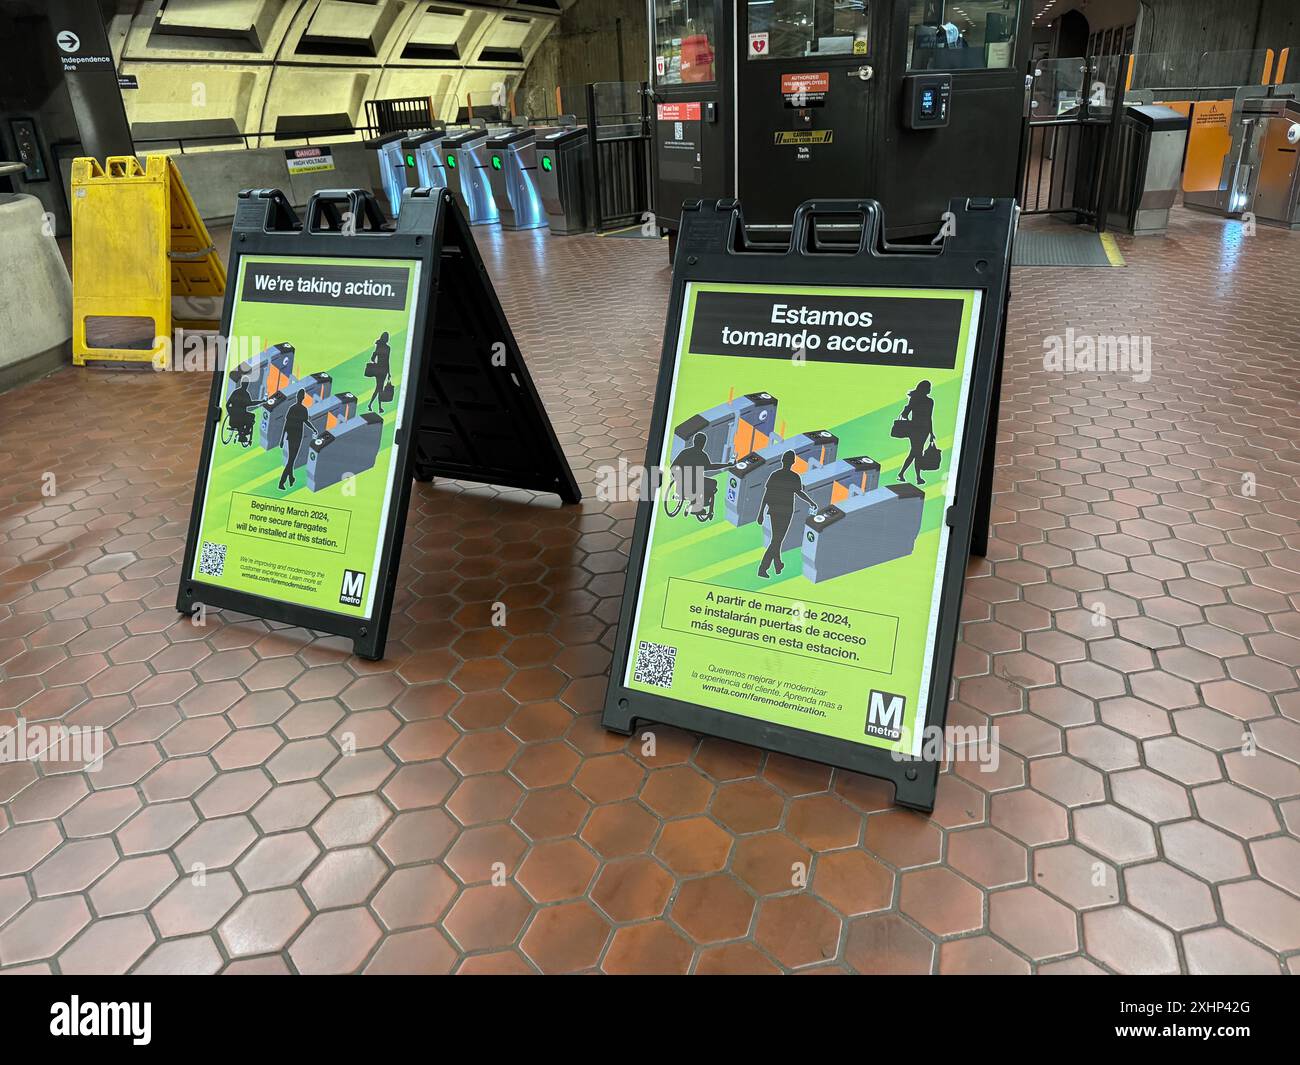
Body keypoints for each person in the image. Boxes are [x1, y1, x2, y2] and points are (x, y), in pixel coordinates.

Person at [758, 450, 815, 578]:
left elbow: (767, 494)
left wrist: (761, 512)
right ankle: (763, 568)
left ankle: (778, 564)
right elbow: (799, 493)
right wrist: (811, 502)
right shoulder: (794, 477)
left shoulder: (775, 475)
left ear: (782, 460)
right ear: (793, 462)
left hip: (774, 510)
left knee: (776, 539)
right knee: (777, 540)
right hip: (786, 512)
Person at [670, 432, 728, 517]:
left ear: (694, 441)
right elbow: (710, 467)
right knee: (712, 484)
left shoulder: (685, 452)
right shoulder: (702, 455)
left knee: (700, 481)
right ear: (704, 443)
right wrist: (727, 465)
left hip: (682, 481)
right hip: (694, 483)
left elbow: (673, 467)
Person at [898, 379, 936, 486]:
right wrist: (931, 432)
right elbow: (929, 418)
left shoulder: (919, 399)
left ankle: (902, 474)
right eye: (928, 387)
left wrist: (931, 433)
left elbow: (929, 417)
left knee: (915, 453)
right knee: (917, 452)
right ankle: (917, 477)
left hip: (919, 430)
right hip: (920, 430)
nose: (929, 389)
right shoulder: (926, 401)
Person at [278, 390, 311, 489]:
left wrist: (282, 439)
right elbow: (306, 421)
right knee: (291, 460)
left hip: (290, 435)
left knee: (291, 458)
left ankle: (291, 477)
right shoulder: (303, 409)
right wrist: (314, 429)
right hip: (297, 436)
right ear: (303, 397)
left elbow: (286, 424)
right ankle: (281, 482)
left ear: (297, 396)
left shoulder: (291, 408)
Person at [224, 375, 262, 447]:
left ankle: (242, 434)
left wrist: (231, 413)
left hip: (233, 419)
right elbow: (250, 403)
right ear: (247, 385)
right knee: (252, 416)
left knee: (245, 416)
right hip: (241, 418)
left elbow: (227, 404)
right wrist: (261, 402)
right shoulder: (246, 394)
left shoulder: (235, 392)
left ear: (241, 383)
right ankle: (244, 433)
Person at [366, 331, 391, 414]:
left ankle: (374, 406)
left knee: (379, 388)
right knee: (379, 388)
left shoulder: (379, 345)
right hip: (383, 370)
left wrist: (376, 362)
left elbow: (373, 357)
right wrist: (389, 372)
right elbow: (387, 361)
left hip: (379, 369)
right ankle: (376, 406)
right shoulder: (387, 348)